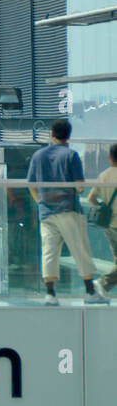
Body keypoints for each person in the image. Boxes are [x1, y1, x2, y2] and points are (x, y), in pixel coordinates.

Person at [27, 119, 108, 305]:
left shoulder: (37, 156)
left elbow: (30, 184)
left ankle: (50, 294)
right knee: (81, 250)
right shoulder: (71, 155)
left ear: (51, 134)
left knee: (49, 252)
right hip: (68, 209)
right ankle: (89, 292)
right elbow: (79, 186)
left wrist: (40, 201)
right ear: (69, 136)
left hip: (46, 211)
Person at [86, 142, 117, 298]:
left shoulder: (103, 175)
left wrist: (103, 207)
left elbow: (91, 199)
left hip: (108, 224)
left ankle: (102, 287)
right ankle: (102, 283)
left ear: (110, 157)